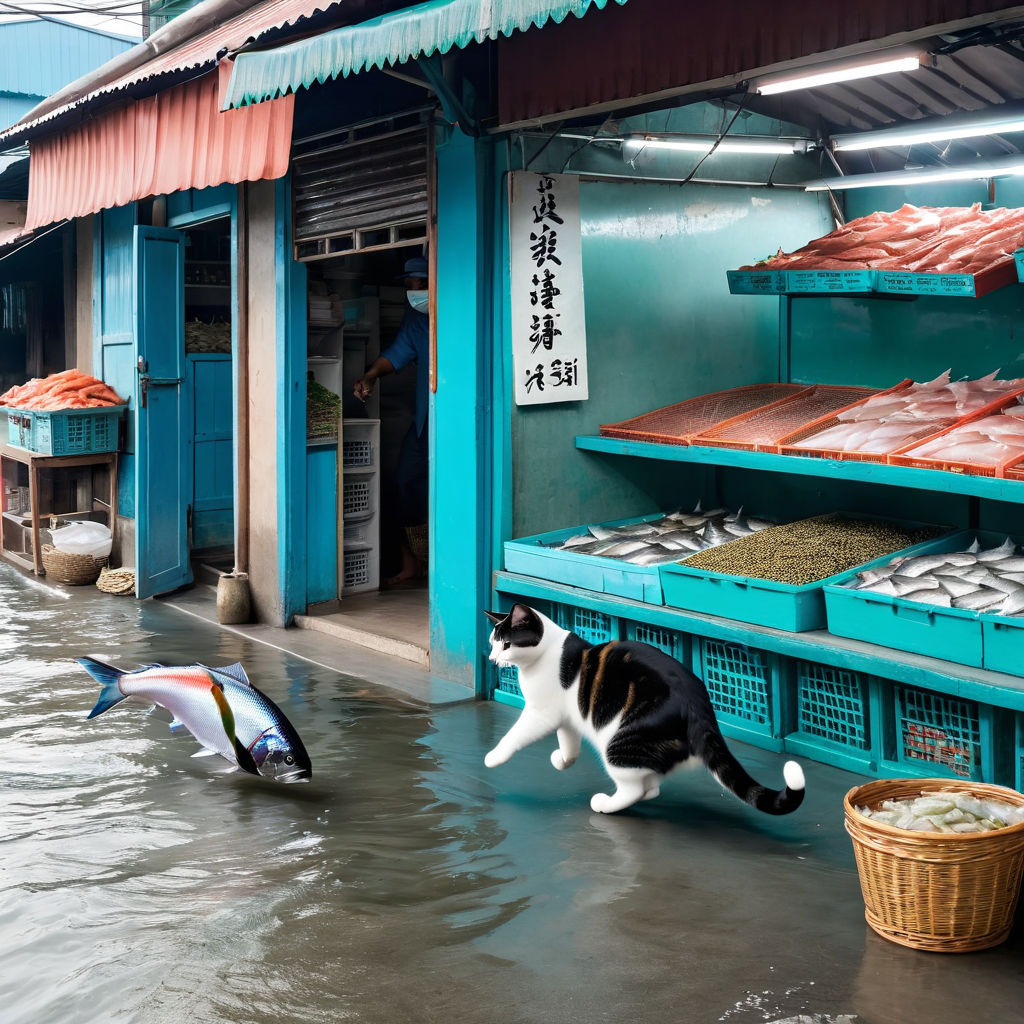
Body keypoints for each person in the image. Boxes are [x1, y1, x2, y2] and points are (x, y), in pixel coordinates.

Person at [353, 255, 430, 588]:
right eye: (410, 286)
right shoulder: (416, 316)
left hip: (456, 422)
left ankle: (443, 564)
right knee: (404, 484)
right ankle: (412, 562)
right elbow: (399, 351)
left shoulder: (459, 310)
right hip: (425, 422)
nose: (415, 292)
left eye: (420, 284)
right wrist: (371, 375)